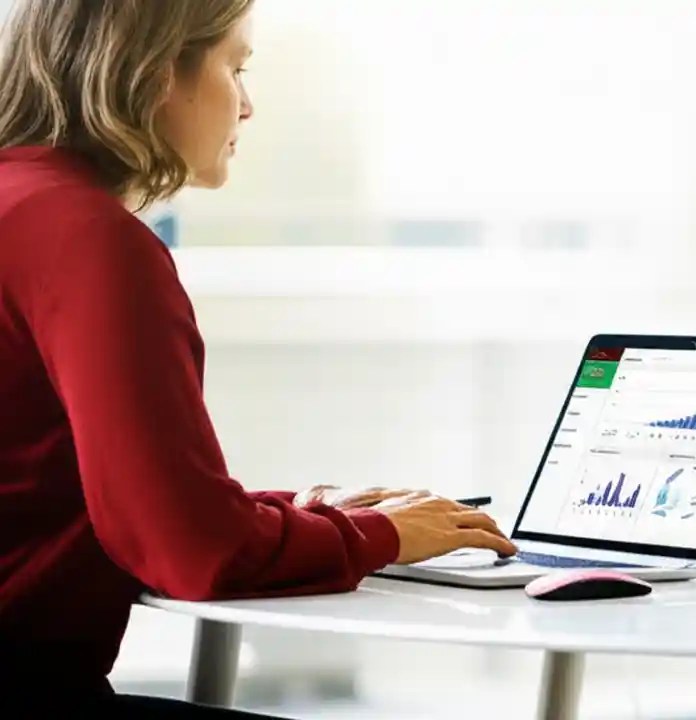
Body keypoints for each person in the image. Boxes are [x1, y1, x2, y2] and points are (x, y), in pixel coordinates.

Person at [0, 1, 517, 716]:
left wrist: (297, 513)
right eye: (233, 67)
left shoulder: (17, 205)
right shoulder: (87, 239)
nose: (247, 105)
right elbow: (190, 551)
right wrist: (383, 535)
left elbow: (84, 495)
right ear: (153, 73)